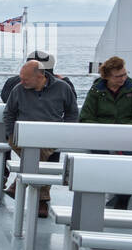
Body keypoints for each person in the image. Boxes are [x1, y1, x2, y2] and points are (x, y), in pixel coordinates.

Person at [4, 59, 79, 217]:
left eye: (26, 78)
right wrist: (11, 133)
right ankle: (42, 199)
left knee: (41, 153)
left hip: (51, 135)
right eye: (21, 78)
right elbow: (9, 113)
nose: (21, 81)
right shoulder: (18, 89)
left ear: (40, 76)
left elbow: (72, 111)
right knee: (42, 156)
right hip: (23, 135)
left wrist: (66, 130)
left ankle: (20, 184)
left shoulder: (62, 88)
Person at [79, 56, 132, 209]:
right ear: (107, 77)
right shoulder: (96, 91)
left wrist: (123, 131)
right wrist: (106, 131)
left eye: (124, 74)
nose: (123, 78)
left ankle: (121, 200)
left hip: (127, 138)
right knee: (101, 165)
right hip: (101, 138)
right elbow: (85, 117)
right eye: (118, 76)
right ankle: (100, 200)